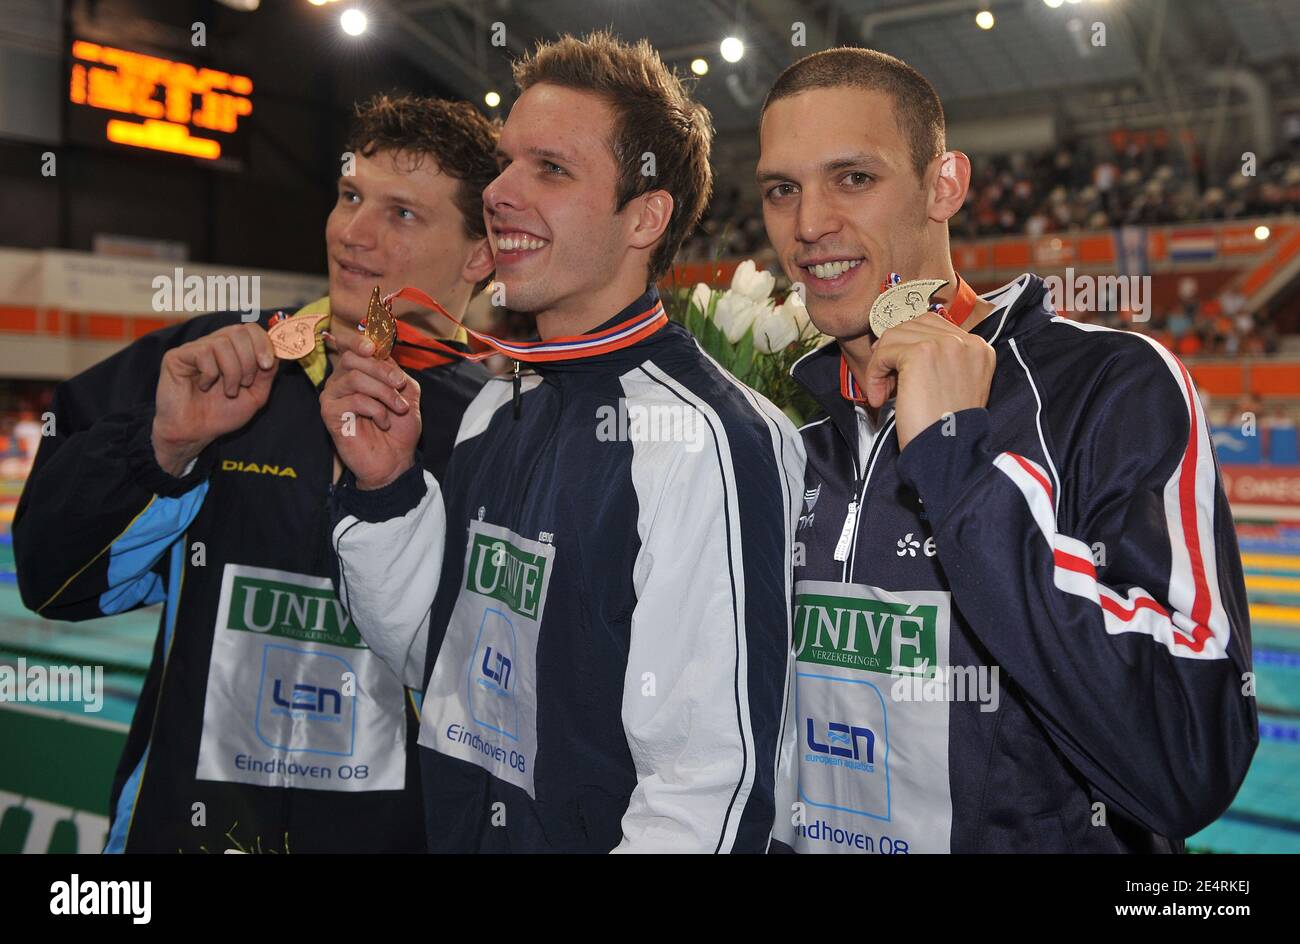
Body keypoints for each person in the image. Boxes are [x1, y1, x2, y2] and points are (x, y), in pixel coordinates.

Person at [756, 48, 1257, 853]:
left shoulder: (1106, 385)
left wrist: (960, 467)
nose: (809, 224)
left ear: (943, 185)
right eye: (783, 188)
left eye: (853, 178)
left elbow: (1191, 756)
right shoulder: (787, 422)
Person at [322, 31, 805, 853]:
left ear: (644, 215)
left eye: (550, 169)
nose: (501, 191)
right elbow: (436, 672)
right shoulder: (498, 406)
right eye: (507, 162)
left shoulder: (705, 439)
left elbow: (707, 796)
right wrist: (387, 493)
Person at [13, 94, 498, 852]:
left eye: (402, 214)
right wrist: (162, 449)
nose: (353, 234)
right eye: (349, 196)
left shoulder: (500, 427)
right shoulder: (213, 367)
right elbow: (52, 578)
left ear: (480, 253)